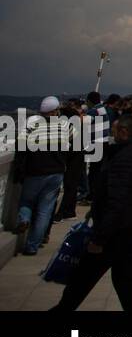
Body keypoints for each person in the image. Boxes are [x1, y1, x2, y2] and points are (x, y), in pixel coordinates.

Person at [52, 113, 132, 312]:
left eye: (114, 130)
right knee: (126, 278)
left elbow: (117, 201)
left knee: (83, 278)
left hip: (115, 232)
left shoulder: (124, 159)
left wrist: (99, 238)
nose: (111, 133)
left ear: (124, 132)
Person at [15, 96, 68, 256]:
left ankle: (24, 219)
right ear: (55, 111)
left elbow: (21, 144)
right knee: (45, 210)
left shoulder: (32, 123)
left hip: (35, 170)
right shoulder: (65, 124)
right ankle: (32, 246)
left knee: (26, 201)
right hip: (56, 172)